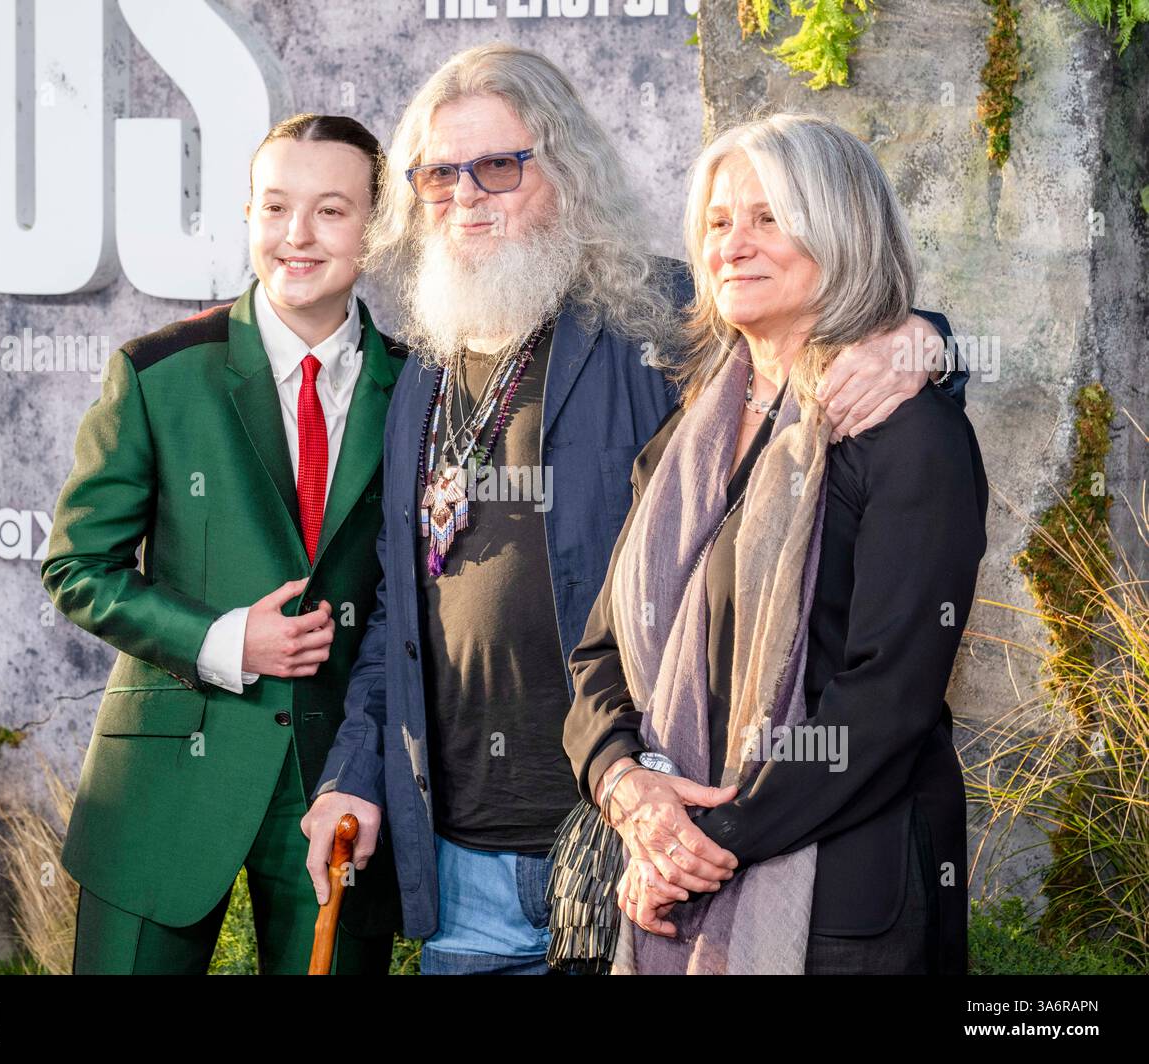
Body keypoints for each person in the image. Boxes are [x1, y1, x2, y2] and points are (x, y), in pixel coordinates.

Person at [303, 43, 967, 976]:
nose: (467, 194)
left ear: (565, 172)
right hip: (465, 868)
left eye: (499, 165)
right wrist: (354, 777)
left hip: (629, 850)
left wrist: (921, 341)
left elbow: (812, 317)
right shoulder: (420, 375)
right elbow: (395, 622)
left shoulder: (664, 319)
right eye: (439, 173)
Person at [562, 112, 987, 974]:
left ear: (842, 228)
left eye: (769, 218)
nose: (733, 246)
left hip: (839, 911)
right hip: (668, 872)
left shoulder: (909, 433)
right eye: (718, 223)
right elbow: (601, 652)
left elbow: (884, 704)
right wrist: (629, 788)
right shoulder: (687, 433)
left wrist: (700, 845)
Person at [42, 114, 403, 974]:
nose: (296, 237)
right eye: (274, 207)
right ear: (246, 214)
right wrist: (222, 640)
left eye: (330, 211)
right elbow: (75, 567)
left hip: (336, 780)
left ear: (379, 230)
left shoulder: (420, 387)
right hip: (164, 780)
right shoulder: (158, 372)